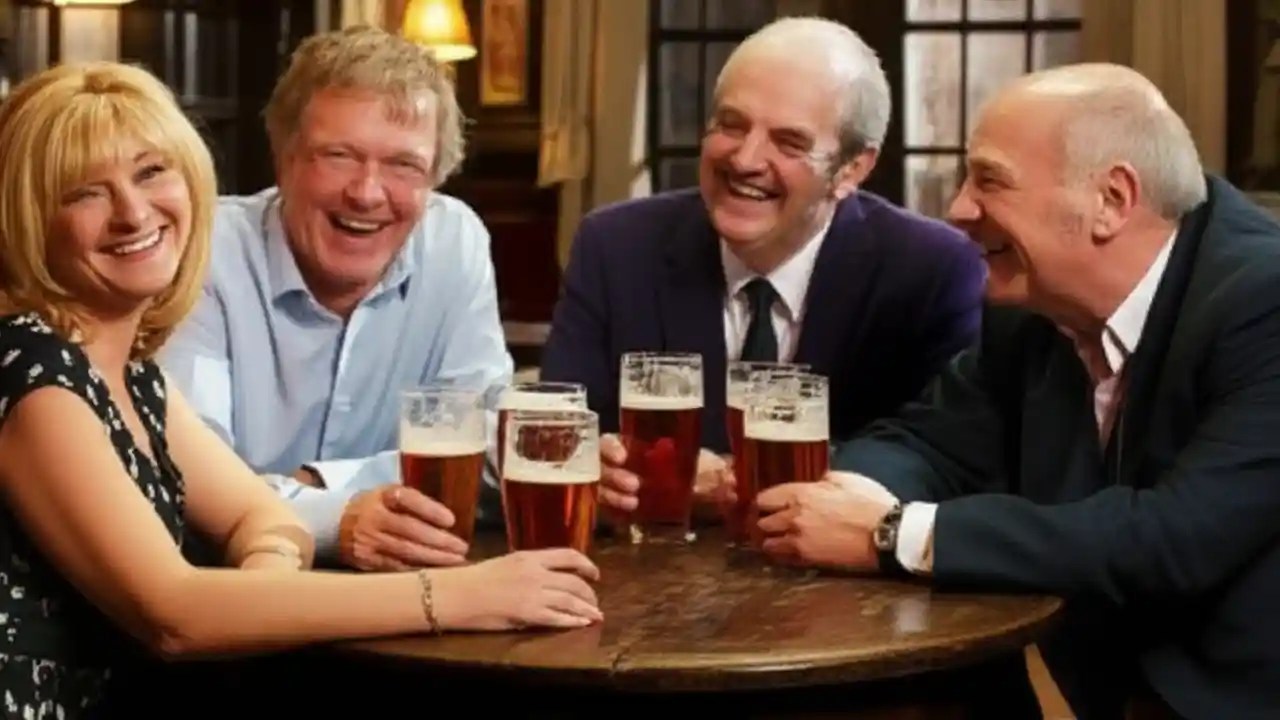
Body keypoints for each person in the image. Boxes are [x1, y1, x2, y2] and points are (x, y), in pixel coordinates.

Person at [0, 60, 602, 718]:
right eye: (84, 192)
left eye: (151, 172)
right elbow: (175, 615)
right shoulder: (33, 376)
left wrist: (257, 587)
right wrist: (459, 595)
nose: (133, 212)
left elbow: (259, 516)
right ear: (28, 219)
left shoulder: (128, 368)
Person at [755, 62, 1280, 719]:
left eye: (990, 180)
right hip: (1069, 686)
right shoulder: (1028, 301)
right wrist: (844, 492)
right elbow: (928, 440)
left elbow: (1175, 539)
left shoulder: (1263, 299)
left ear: (1111, 200)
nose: (958, 209)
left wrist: (893, 532)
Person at [538, 17, 984, 512]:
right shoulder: (616, 246)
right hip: (653, 564)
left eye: (789, 142)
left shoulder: (931, 270)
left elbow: (946, 454)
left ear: (852, 169)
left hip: (843, 577)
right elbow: (560, 428)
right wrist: (590, 466)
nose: (746, 159)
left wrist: (740, 479)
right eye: (731, 125)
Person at [158, 25, 533, 572]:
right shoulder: (205, 251)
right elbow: (188, 483)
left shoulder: (454, 240)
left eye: (404, 165)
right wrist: (339, 518)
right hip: (237, 612)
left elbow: (490, 451)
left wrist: (315, 486)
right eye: (338, 156)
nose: (367, 192)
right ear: (282, 157)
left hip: (410, 602)